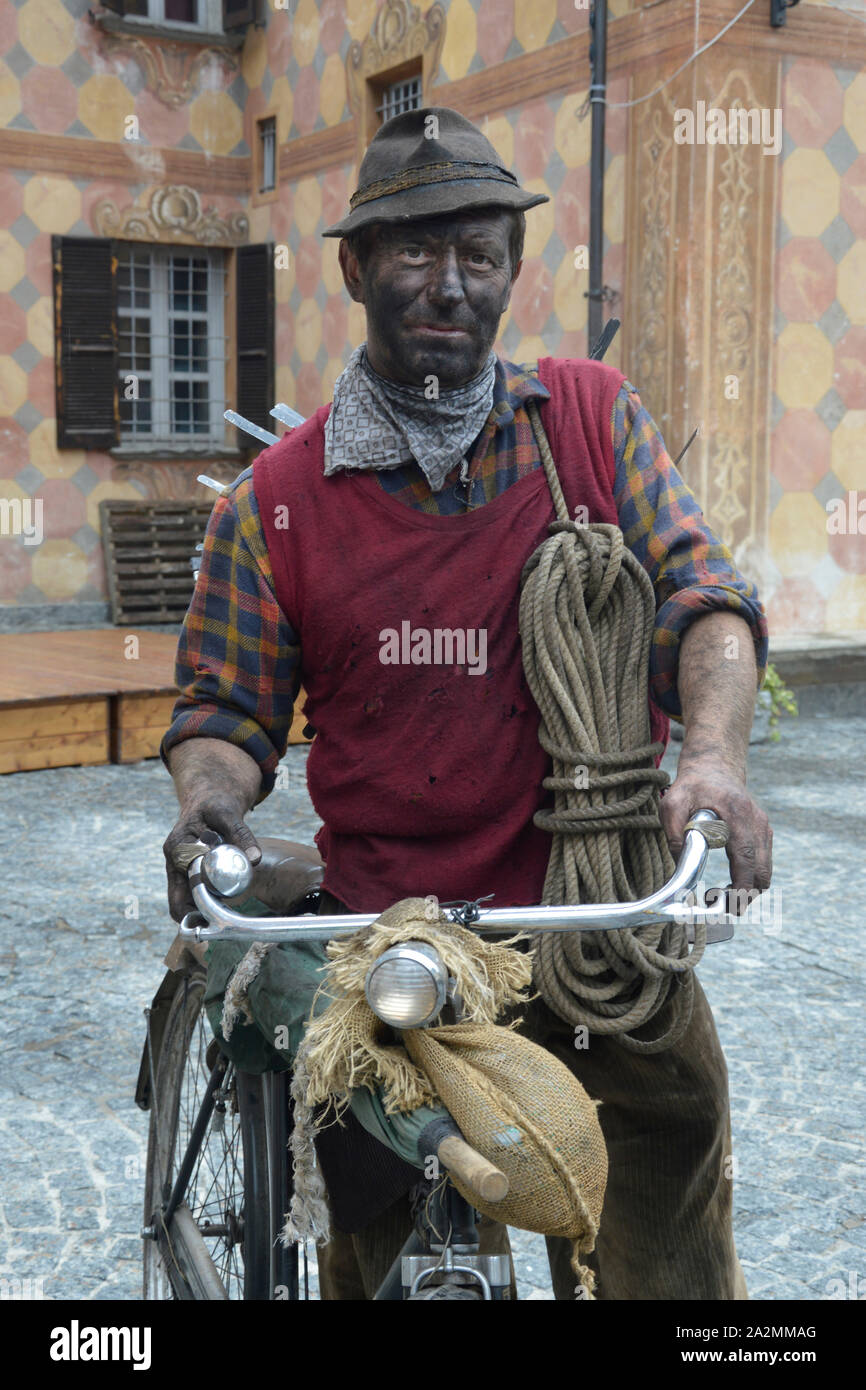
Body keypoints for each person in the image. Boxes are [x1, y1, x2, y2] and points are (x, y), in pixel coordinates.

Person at [161, 107, 772, 1301]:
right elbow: (224, 713)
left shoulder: (593, 422)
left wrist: (710, 758)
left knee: (671, 1177)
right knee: (388, 1249)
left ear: (509, 270)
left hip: (593, 930)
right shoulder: (273, 506)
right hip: (389, 944)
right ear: (352, 267)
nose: (448, 283)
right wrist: (210, 807)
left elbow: (705, 598)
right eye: (413, 250)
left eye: (478, 253)